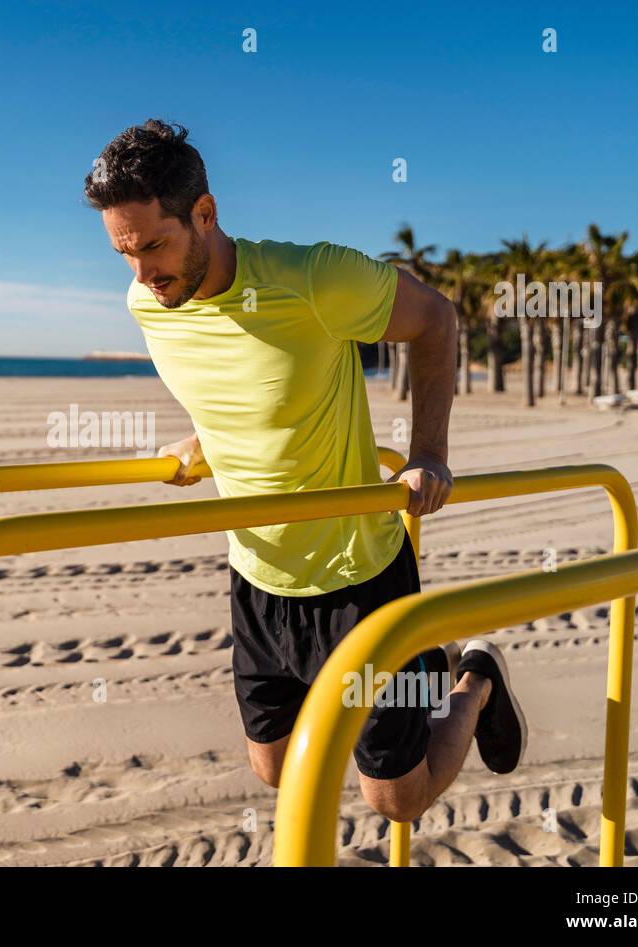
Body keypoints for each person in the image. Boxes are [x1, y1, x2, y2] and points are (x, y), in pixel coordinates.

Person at [83, 119, 526, 823]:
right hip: (257, 575)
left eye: (155, 246)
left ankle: (474, 680)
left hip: (360, 579)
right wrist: (207, 439)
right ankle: (429, 670)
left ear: (205, 214)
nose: (142, 272)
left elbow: (436, 320)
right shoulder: (149, 302)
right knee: (278, 769)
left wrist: (429, 453)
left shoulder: (313, 278)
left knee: (395, 800)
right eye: (123, 253)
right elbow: (233, 378)